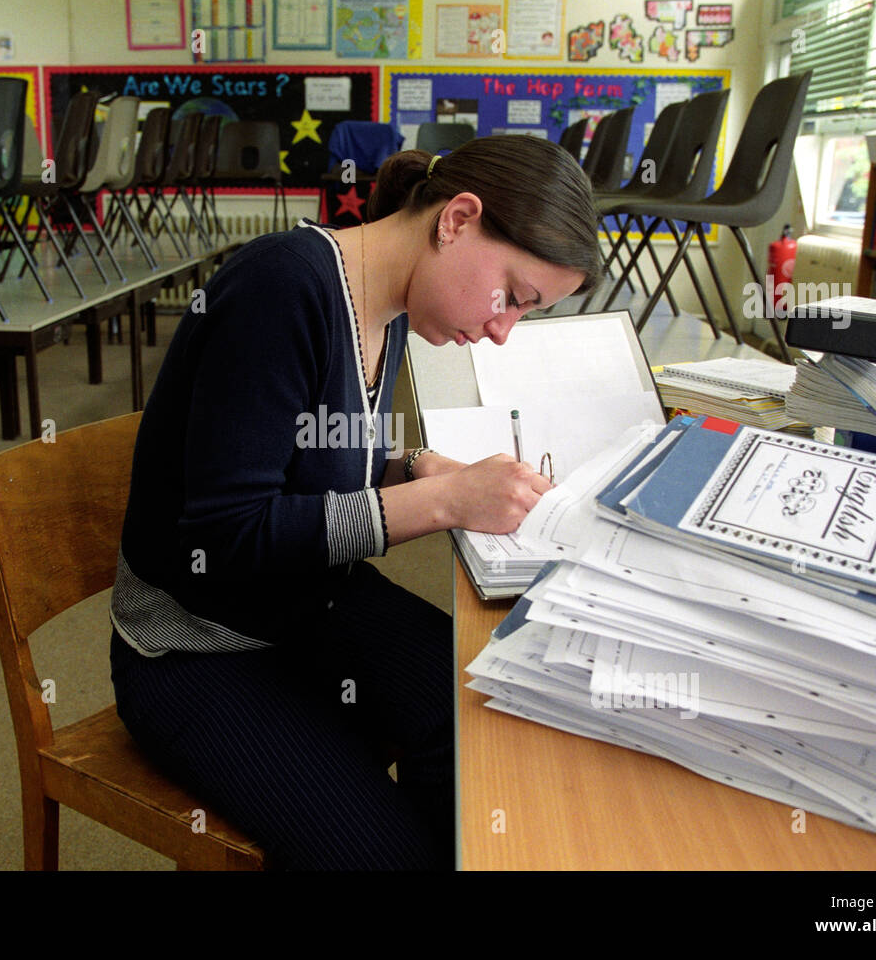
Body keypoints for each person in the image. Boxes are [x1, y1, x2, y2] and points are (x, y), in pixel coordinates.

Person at [109, 134, 601, 870]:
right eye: (515, 297)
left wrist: (413, 466)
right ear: (457, 219)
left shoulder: (393, 304)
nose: (503, 331)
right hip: (199, 646)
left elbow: (317, 464)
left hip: (309, 606)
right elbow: (228, 536)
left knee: (498, 725)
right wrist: (441, 502)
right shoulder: (280, 288)